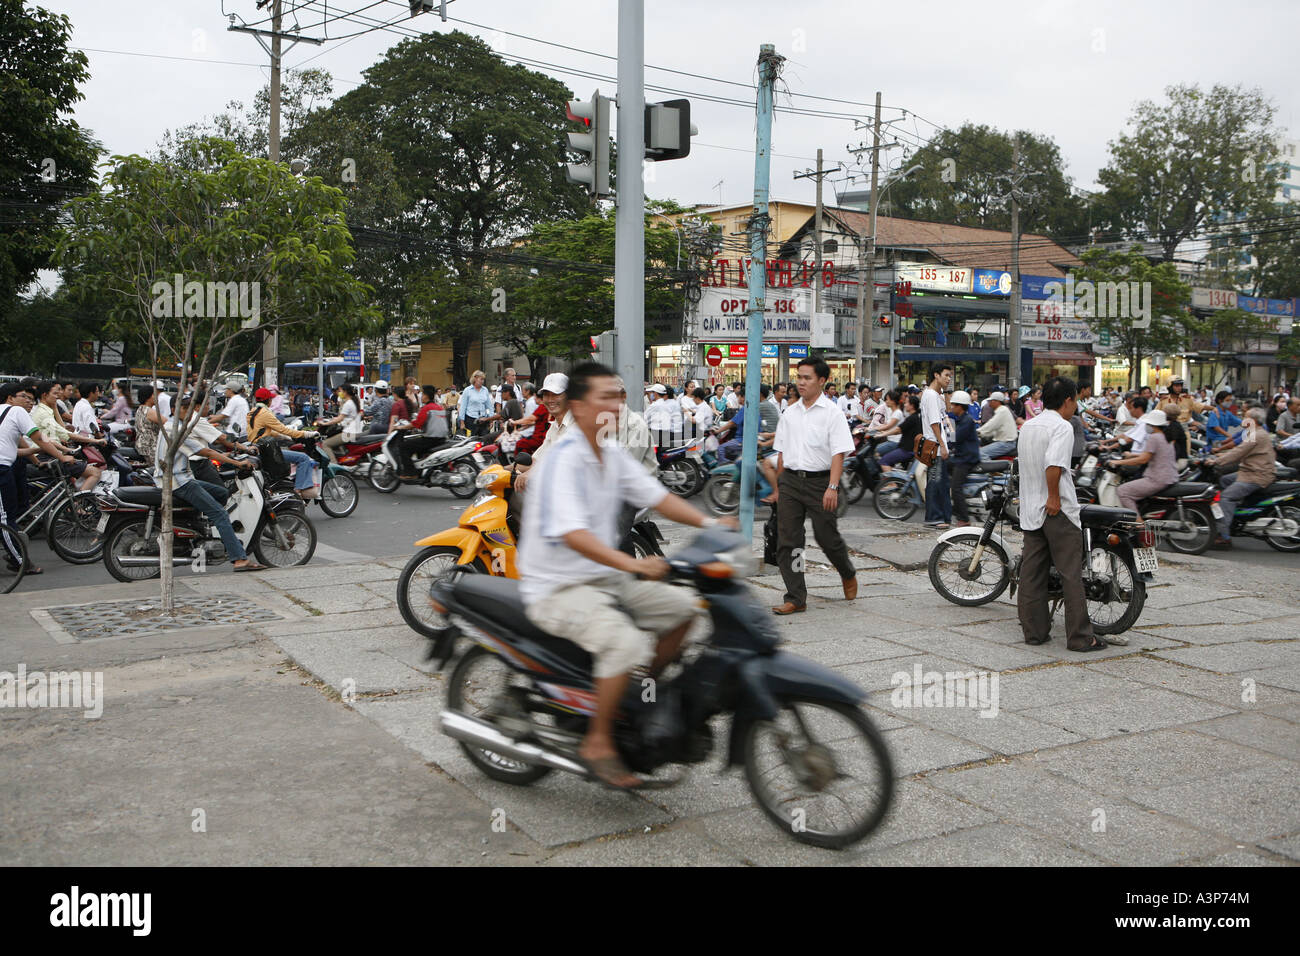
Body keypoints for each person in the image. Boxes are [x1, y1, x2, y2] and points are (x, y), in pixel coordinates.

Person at [518, 363, 729, 789]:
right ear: (577, 407)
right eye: (605, 397)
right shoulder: (563, 459)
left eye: (618, 395)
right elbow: (573, 534)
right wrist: (634, 564)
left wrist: (711, 526)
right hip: (558, 587)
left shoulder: (611, 453)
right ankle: (597, 743)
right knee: (625, 642)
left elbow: (658, 497)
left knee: (685, 610)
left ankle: (636, 695)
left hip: (602, 579)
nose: (616, 405)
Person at [1016, 375, 1104, 652]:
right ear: (1068, 400)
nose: (1076, 405)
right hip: (1057, 509)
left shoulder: (1029, 426)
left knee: (1031, 574)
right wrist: (1054, 496)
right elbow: (1053, 466)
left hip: (1031, 509)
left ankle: (1034, 632)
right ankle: (1080, 637)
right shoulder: (1062, 427)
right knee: (1070, 574)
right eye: (1076, 400)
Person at [770, 357, 858, 616]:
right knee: (789, 541)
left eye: (807, 378)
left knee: (826, 537)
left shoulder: (832, 413)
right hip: (790, 483)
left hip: (821, 482)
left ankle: (847, 572)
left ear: (822, 381)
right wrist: (778, 486)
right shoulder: (789, 413)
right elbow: (782, 453)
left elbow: (838, 454)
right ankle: (796, 597)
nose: (801, 382)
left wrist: (833, 487)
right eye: (799, 377)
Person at [155, 395, 265, 572]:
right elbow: (206, 451)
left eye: (190, 408)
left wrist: (226, 456)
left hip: (178, 478)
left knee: (221, 493)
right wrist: (238, 463)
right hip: (178, 482)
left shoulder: (170, 425)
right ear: (174, 410)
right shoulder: (177, 431)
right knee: (220, 514)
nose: (189, 411)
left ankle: (205, 529)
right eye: (184, 408)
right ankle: (239, 559)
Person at [1, 382, 78, 573]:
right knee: (6, 519)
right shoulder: (16, 412)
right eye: (23, 397)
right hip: (2, 471)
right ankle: (20, 563)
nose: (28, 401)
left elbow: (11, 449)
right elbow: (40, 438)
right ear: (10, 398)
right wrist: (62, 456)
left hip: (6, 465)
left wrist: (35, 455)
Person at [1209, 407, 1276, 550]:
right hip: (1249, 470)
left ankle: (1224, 537)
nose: (1242, 419)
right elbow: (1238, 449)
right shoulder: (1253, 432)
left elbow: (1239, 452)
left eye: (1245, 417)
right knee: (1224, 480)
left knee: (1225, 497)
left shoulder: (1256, 435)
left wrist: (1216, 461)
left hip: (1256, 475)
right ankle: (1234, 512)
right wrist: (1220, 455)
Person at [30, 380, 105, 491]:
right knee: (95, 473)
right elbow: (65, 434)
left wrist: (55, 408)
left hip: (52, 453)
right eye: (55, 393)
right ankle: (78, 505)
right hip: (47, 456)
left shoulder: (48, 411)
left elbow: (60, 431)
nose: (58, 396)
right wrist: (96, 441)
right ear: (45, 395)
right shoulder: (43, 414)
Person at [247, 388, 320, 499]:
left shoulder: (252, 412)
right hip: (266, 451)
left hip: (256, 449)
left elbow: (263, 431)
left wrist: (282, 436)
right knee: (303, 458)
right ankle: (298, 491)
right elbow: (284, 429)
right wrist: (307, 434)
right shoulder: (265, 413)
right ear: (269, 400)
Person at [1110, 409, 1179, 518]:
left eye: (1148, 424)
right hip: (1169, 477)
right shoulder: (1166, 437)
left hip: (1157, 478)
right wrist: (1131, 455)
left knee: (1122, 491)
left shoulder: (1154, 437)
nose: (1146, 426)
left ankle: (1138, 525)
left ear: (1153, 425)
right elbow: (1153, 455)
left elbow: (1143, 460)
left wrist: (1118, 462)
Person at [921, 363, 954, 529]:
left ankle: (944, 517)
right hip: (935, 445)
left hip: (939, 444)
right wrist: (942, 446)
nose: (949, 379)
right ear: (936, 375)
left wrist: (946, 394)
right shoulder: (930, 396)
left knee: (941, 483)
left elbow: (946, 411)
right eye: (946, 375)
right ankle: (934, 517)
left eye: (950, 376)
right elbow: (935, 423)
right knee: (935, 482)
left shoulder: (935, 395)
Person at [395, 385, 447, 478]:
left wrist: (402, 427)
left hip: (431, 439)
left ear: (426, 396)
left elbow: (417, 424)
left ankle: (410, 473)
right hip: (442, 439)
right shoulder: (439, 407)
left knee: (403, 447)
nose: (421, 397)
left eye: (422, 395)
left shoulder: (426, 408)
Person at [946, 391, 980, 527]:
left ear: (960, 406)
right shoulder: (960, 418)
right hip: (960, 456)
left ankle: (964, 518)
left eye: (954, 405)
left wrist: (943, 445)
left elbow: (955, 439)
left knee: (956, 487)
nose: (952, 407)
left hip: (966, 459)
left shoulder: (966, 421)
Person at [317, 383, 362, 463]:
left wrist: (325, 424)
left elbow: (340, 418)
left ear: (345, 392)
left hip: (349, 433)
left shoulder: (348, 404)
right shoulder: (353, 402)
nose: (339, 393)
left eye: (340, 391)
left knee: (325, 444)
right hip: (355, 431)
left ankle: (334, 465)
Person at [880, 394, 922, 471]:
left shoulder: (912, 418)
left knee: (884, 461)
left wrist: (882, 434)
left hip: (907, 450)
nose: (904, 405)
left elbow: (897, 430)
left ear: (912, 405)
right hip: (907, 448)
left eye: (906, 403)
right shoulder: (915, 417)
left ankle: (891, 483)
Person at [978, 391, 1018, 459]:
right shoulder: (1001, 410)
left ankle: (990, 469)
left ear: (997, 402)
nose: (989, 403)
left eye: (991, 401)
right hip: (1004, 441)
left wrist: (977, 432)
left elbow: (990, 425)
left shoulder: (1002, 411)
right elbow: (993, 429)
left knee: (980, 453)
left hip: (1006, 443)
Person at [458, 370, 495, 437]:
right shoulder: (467, 390)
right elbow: (463, 407)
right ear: (475, 378)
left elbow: (489, 406)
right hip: (471, 419)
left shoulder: (485, 390)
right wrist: (462, 422)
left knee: (484, 439)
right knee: (472, 440)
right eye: (481, 379)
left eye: (483, 379)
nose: (482, 381)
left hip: (483, 419)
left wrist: (491, 420)